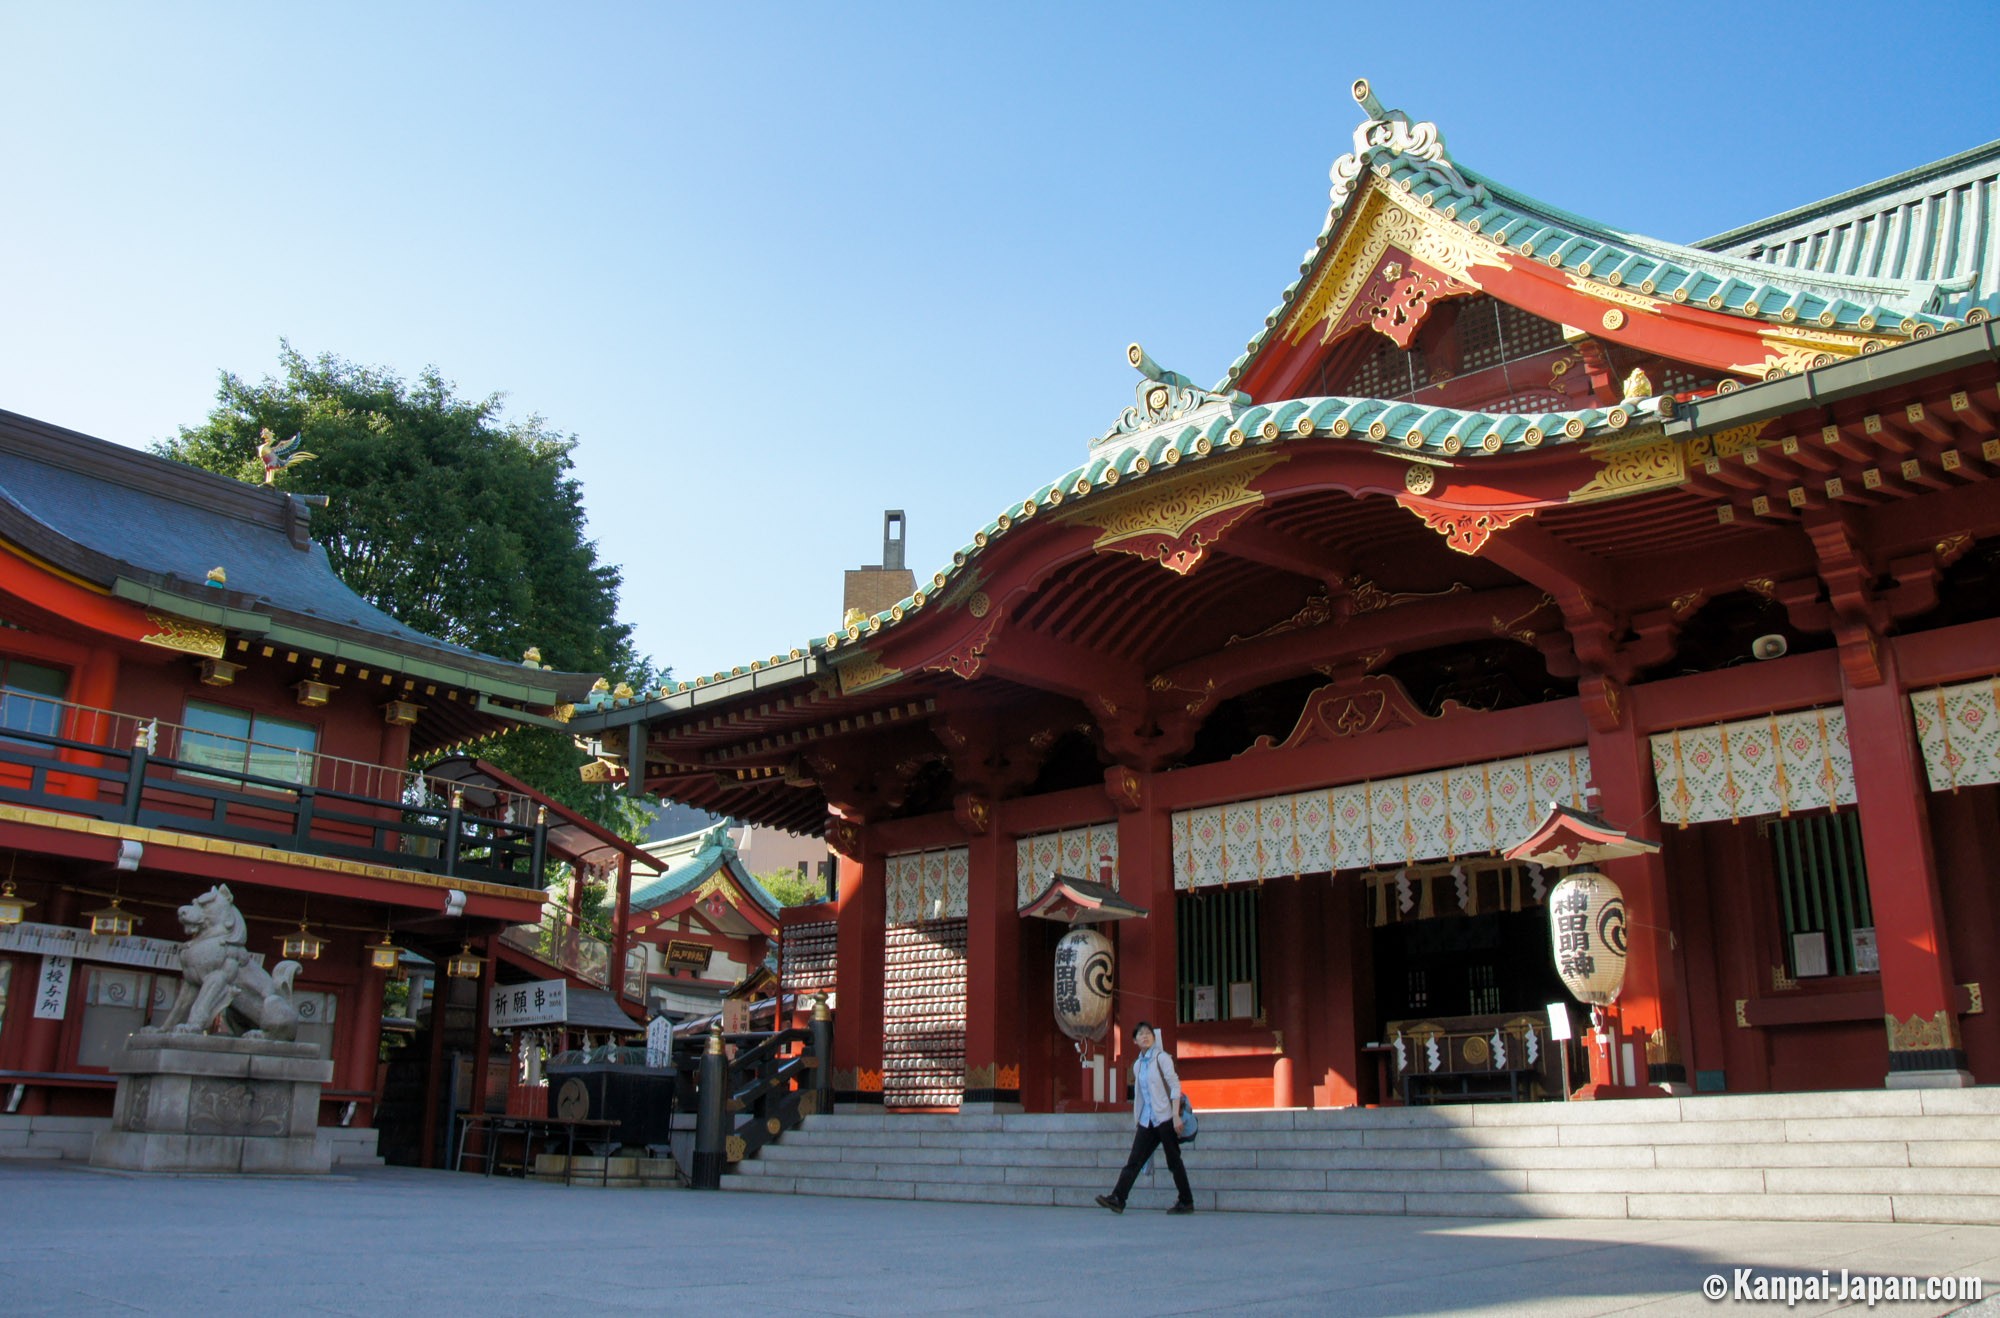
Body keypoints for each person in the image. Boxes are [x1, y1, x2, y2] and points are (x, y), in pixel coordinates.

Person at [1095, 1020, 1194, 1214]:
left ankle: (1186, 1200)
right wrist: (1138, 1118)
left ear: (1154, 1038)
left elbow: (1175, 1086)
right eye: (1140, 1034)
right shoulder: (1138, 1065)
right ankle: (1118, 1198)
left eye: (1148, 1033)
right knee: (1134, 1160)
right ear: (1135, 1040)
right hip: (1147, 1120)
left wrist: (1175, 1115)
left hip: (1165, 1117)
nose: (1145, 1036)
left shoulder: (1162, 1058)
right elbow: (1141, 1094)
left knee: (1173, 1160)